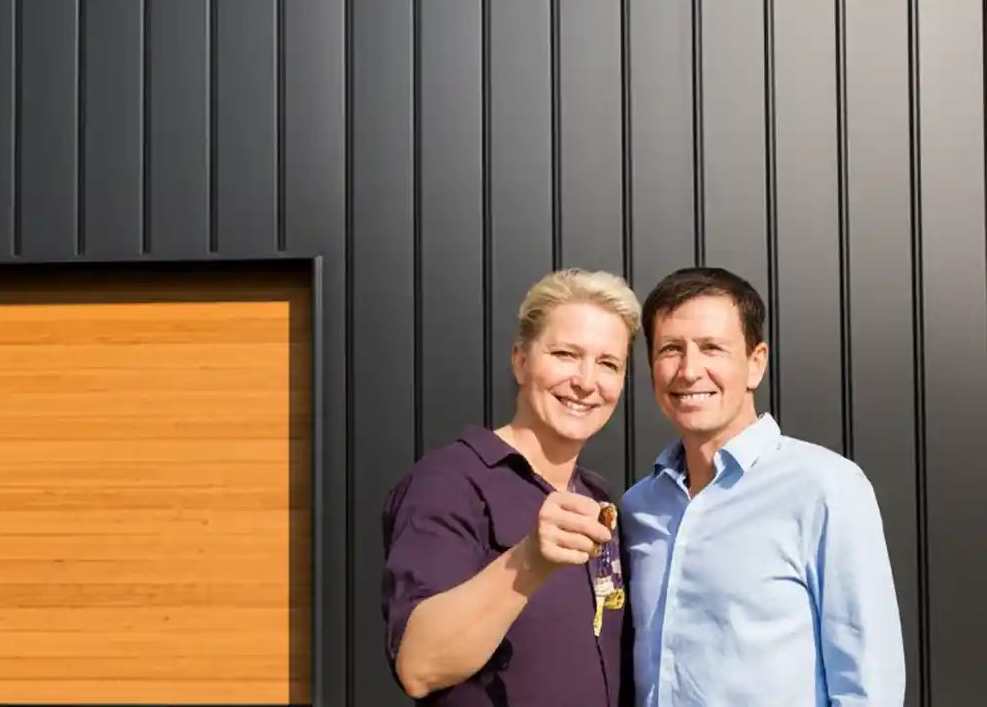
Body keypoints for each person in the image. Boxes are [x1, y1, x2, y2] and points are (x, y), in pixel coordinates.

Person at [622, 266, 905, 706]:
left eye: (712, 348)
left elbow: (869, 683)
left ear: (756, 363)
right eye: (671, 349)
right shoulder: (639, 508)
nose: (689, 370)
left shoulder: (824, 488)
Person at [381, 268, 640, 706]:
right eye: (565, 354)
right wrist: (529, 560)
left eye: (608, 364)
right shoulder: (449, 482)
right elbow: (419, 666)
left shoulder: (599, 500)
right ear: (521, 360)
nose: (586, 381)